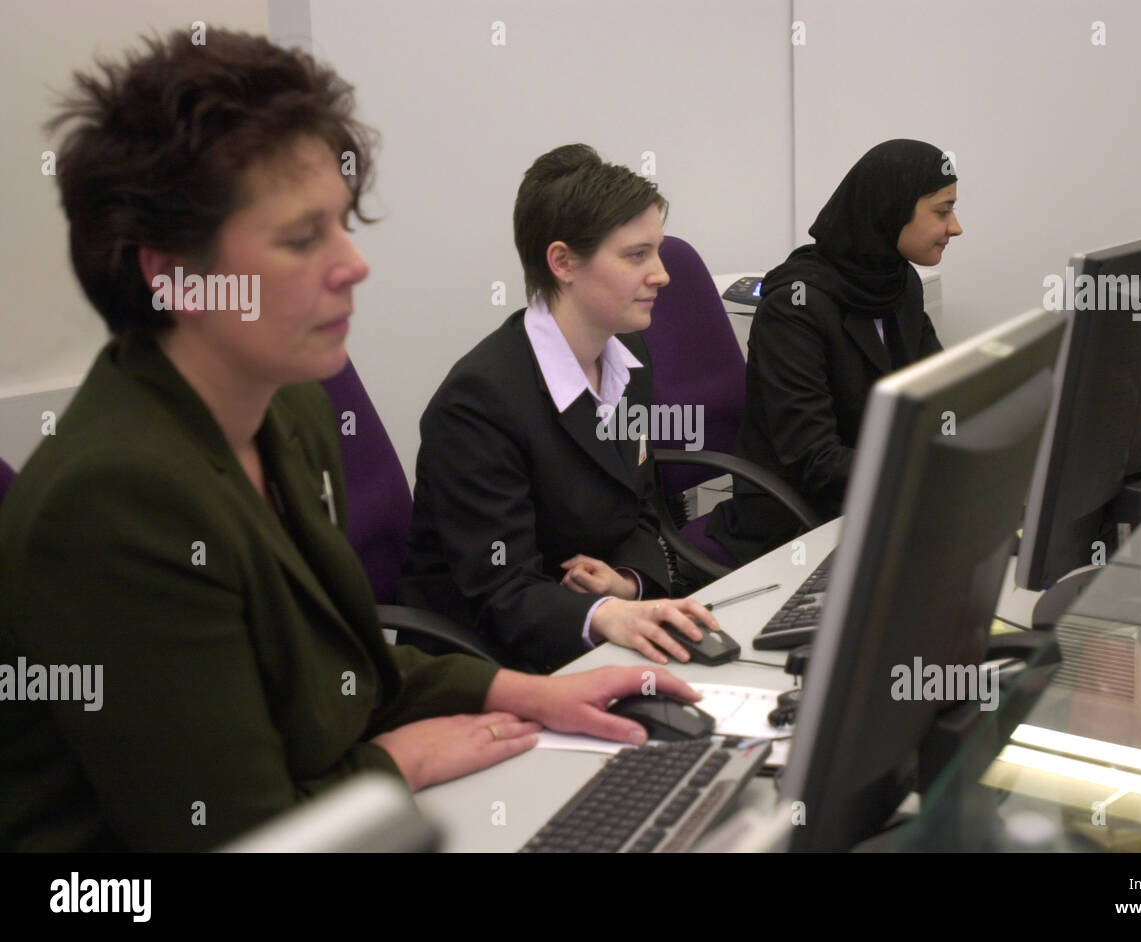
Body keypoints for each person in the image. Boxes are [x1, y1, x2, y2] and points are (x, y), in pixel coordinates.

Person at [0, 30, 697, 853]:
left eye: (342, 224)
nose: (354, 264)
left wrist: (521, 692)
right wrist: (396, 761)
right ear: (172, 274)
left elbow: (346, 666)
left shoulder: (289, 409)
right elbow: (230, 830)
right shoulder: (116, 497)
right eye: (303, 239)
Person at [399, 144, 720, 674]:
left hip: (590, 641)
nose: (662, 273)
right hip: (488, 666)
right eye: (637, 255)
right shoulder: (479, 402)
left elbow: (640, 508)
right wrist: (604, 614)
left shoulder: (629, 357)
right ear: (563, 262)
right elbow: (500, 592)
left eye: (657, 251)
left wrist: (629, 582)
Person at [709, 139, 962, 563]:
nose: (955, 227)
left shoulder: (900, 285)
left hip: (875, 501)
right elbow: (815, 462)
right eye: (942, 210)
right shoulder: (795, 307)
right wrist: (920, 467)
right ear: (892, 209)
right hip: (796, 524)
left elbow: (940, 398)